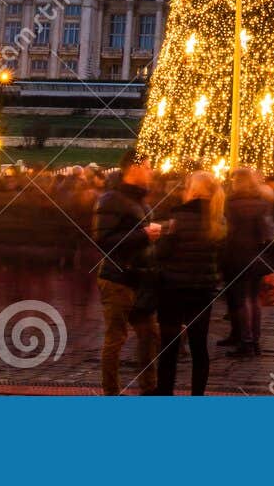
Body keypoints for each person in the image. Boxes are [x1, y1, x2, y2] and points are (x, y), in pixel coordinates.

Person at [92, 156, 161, 394]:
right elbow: (103, 240)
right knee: (116, 338)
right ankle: (111, 391)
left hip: (140, 279)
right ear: (135, 167)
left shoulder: (141, 201)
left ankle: (149, 388)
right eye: (148, 166)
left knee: (150, 336)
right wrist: (143, 235)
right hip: (117, 279)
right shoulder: (111, 199)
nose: (152, 171)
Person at [153, 171, 224, 395]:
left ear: (192, 190)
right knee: (199, 346)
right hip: (203, 290)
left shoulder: (178, 219)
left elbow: (162, 253)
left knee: (169, 346)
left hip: (173, 288)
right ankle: (197, 395)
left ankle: (165, 392)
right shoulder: (218, 220)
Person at [221, 167, 274, 359]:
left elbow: (226, 229)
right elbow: (267, 230)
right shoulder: (262, 203)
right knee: (254, 298)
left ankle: (245, 340)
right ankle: (254, 340)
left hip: (236, 254)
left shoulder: (230, 203)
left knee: (241, 299)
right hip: (257, 255)